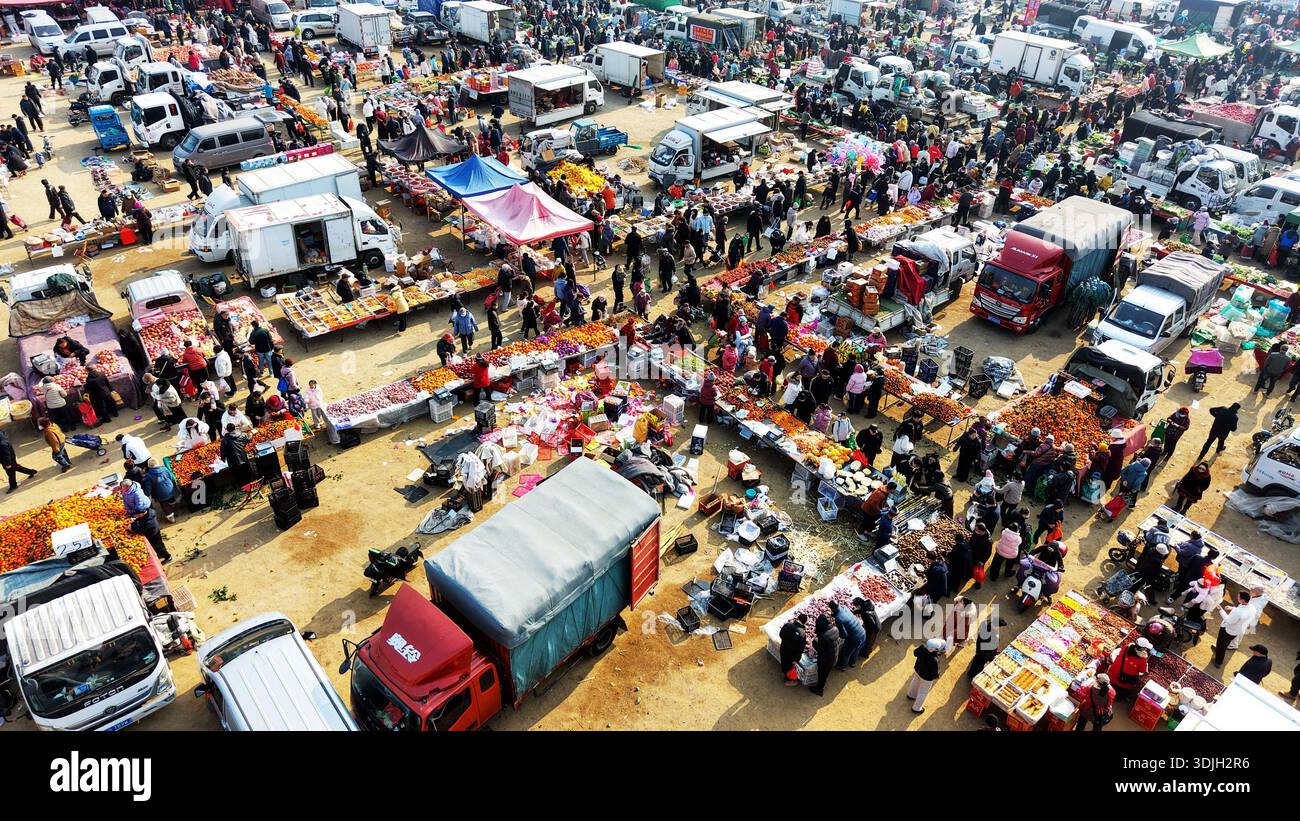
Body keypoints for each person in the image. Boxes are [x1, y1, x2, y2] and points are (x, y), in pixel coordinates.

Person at [1212, 591, 1255, 667]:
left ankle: (1218, 661)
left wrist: (1220, 610)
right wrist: (1232, 608)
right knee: (1225, 643)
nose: (1237, 598)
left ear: (1243, 600)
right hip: (1237, 631)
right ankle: (1218, 650)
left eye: (1238, 597)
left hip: (1228, 630)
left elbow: (1229, 620)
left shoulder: (1238, 612)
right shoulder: (1252, 608)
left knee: (1221, 644)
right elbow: (1241, 613)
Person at [907, 638, 945, 714]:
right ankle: (916, 708)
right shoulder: (934, 660)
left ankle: (911, 695)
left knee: (915, 682)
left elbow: (915, 653)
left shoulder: (922, 647)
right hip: (927, 678)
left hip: (917, 671)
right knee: (923, 692)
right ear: (934, 650)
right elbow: (935, 674)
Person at [966, 615, 1008, 681]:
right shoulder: (993, 635)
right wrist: (992, 657)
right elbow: (991, 648)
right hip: (985, 652)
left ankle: (971, 672)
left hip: (980, 647)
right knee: (979, 665)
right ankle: (972, 675)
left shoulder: (986, 622)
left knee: (976, 659)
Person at [808, 613, 841, 697]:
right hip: (834, 656)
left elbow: (820, 650)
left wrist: (814, 642)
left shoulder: (824, 636)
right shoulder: (835, 628)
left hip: (826, 661)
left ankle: (819, 690)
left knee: (822, 675)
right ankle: (821, 685)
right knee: (825, 673)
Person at [834, 599, 869, 670]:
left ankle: (842, 666)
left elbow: (843, 635)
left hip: (854, 638)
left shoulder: (838, 618)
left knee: (846, 652)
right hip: (862, 632)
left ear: (832, 609)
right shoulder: (844, 607)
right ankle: (852, 663)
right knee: (856, 649)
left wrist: (838, 632)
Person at [778, 614, 807, 685]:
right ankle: (788, 681)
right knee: (789, 667)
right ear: (804, 622)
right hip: (792, 655)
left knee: (784, 661)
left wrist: (786, 641)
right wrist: (796, 659)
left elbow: (781, 635)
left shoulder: (787, 625)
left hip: (783, 649)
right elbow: (801, 649)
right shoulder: (802, 633)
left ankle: (783, 672)